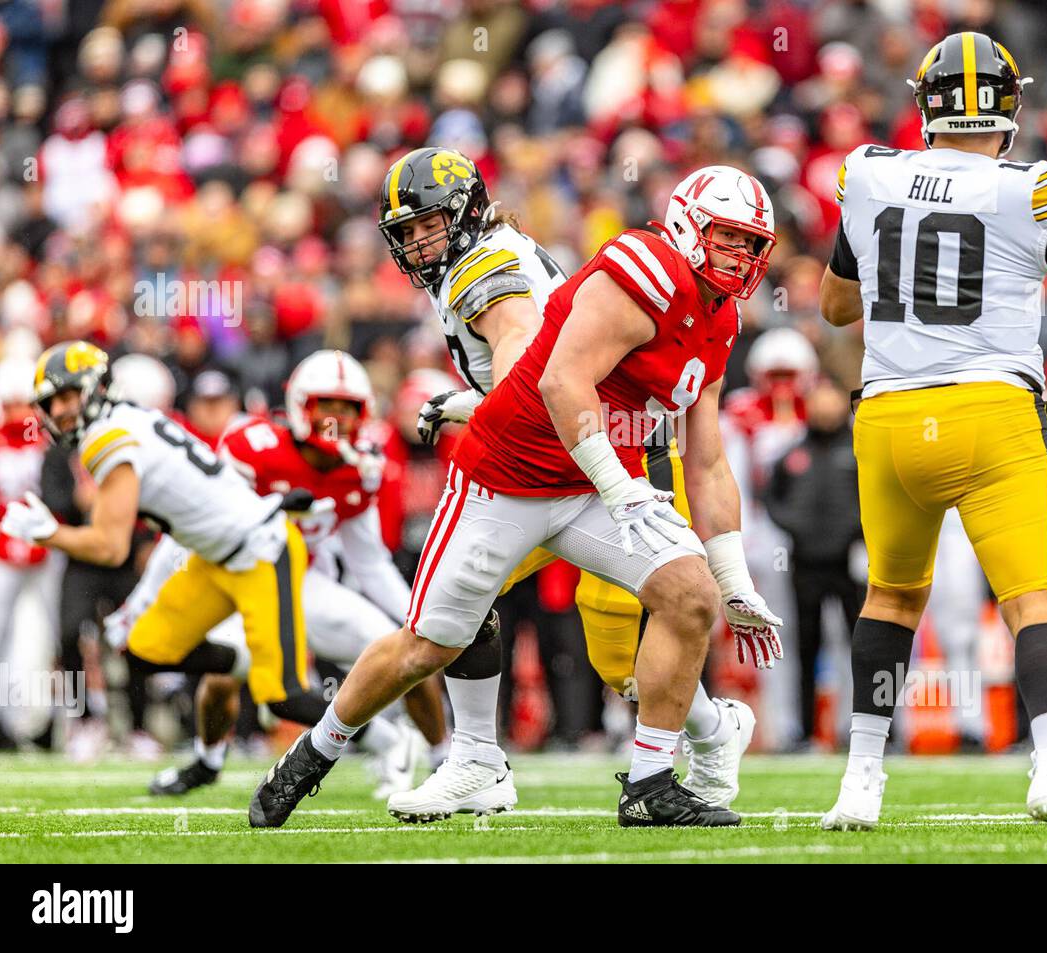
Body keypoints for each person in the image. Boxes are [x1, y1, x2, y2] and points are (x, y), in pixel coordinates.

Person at [250, 165, 785, 829]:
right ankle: (314, 752)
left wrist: (735, 579)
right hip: (510, 477)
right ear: (684, 226)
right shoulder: (642, 268)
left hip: (597, 476)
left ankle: (649, 781)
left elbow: (703, 456)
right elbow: (554, 379)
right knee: (429, 643)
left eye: (748, 241)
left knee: (690, 595)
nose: (740, 254)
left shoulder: (717, 314)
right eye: (725, 236)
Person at [818, 32, 1047, 832]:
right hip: (990, 412)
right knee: (1034, 600)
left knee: (888, 597)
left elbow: (837, 305)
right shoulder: (1029, 188)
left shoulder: (866, 173)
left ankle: (859, 778)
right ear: (1009, 110)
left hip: (886, 419)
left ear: (925, 106)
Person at [377, 147, 756, 820]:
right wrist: (477, 405)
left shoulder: (650, 282)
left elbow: (546, 365)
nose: (416, 241)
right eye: (406, 231)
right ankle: (473, 758)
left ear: (462, 212)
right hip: (550, 455)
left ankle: (709, 732)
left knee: (620, 658)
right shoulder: (499, 258)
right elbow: (538, 372)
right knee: (465, 596)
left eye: (426, 224)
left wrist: (734, 574)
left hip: (620, 459)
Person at [111, 351, 443, 799]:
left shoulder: (359, 471)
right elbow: (186, 532)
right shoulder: (254, 448)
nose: (337, 420)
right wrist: (145, 597)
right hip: (238, 579)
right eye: (327, 406)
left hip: (305, 583)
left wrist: (418, 617)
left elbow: (368, 562)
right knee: (221, 676)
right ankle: (208, 761)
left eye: (348, 409)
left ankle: (444, 758)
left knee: (406, 654)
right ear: (302, 406)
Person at [0, 341, 328, 742]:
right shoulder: (130, 416)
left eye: (67, 396)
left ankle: (380, 734)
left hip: (260, 548)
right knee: (145, 649)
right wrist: (140, 602)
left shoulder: (106, 437)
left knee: (284, 698)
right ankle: (245, 663)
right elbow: (175, 529)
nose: (58, 412)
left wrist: (47, 533)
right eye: (50, 404)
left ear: (97, 388)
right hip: (215, 555)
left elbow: (110, 547)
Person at [764, 378, 863, 744]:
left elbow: (879, 497)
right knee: (807, 645)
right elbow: (770, 498)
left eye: (830, 402)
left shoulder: (859, 450)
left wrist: (855, 535)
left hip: (850, 562)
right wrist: (798, 529)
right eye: (818, 402)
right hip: (804, 561)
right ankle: (804, 731)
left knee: (862, 645)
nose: (824, 410)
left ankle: (868, 729)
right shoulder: (793, 453)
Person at [0, 357, 62, 750]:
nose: (16, 411)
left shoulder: (50, 437)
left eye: (22, 402)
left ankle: (57, 726)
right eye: (9, 402)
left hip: (49, 543)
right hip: (2, 544)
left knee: (55, 634)